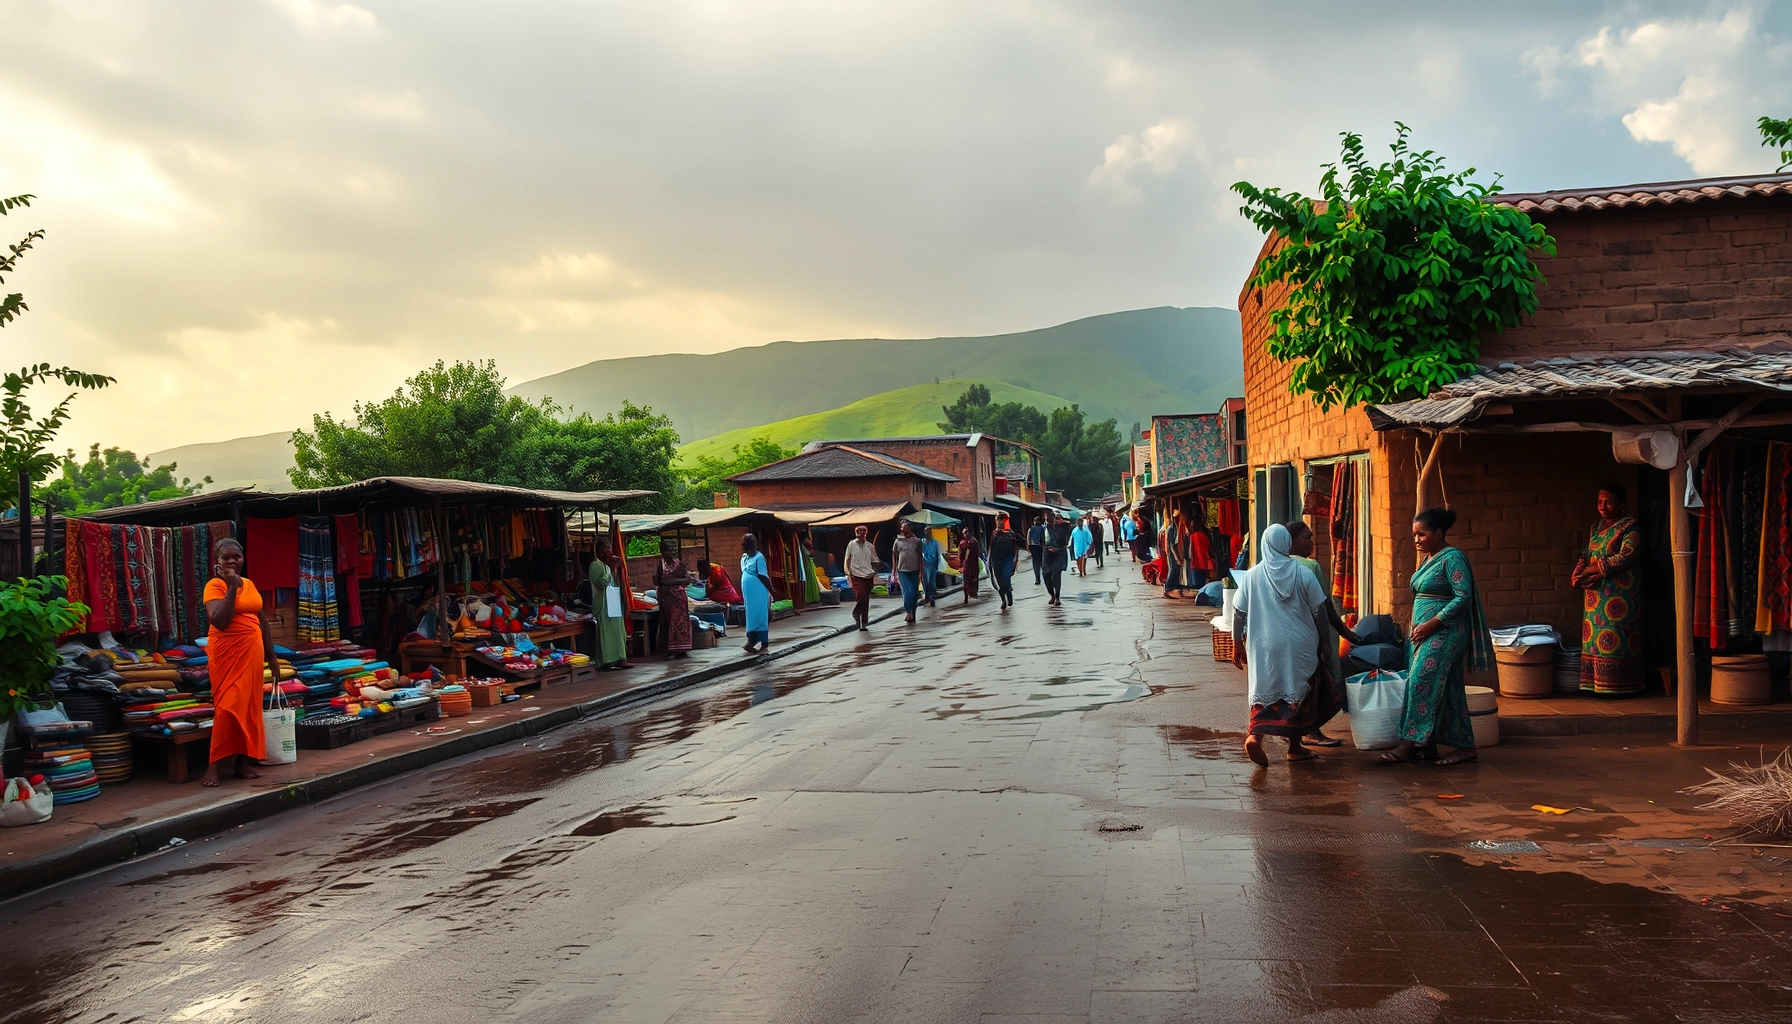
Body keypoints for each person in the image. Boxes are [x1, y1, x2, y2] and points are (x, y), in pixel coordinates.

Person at [1379, 507, 1492, 767]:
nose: (1417, 540)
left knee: (1421, 680)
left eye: (1422, 534)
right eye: (1414, 535)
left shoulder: (1453, 558)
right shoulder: (1429, 558)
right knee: (1448, 689)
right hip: (1424, 633)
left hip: (1446, 632)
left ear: (1439, 533)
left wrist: (1432, 623)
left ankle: (1409, 744)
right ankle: (1456, 747)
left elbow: (1463, 596)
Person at [1230, 523, 1337, 767]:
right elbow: (1320, 611)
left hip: (1264, 645)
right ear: (1287, 544)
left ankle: (1255, 736)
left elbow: (1238, 613)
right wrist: (1326, 642)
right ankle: (1295, 746)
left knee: (1264, 689)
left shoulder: (1252, 575)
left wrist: (1237, 644)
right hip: (1300, 645)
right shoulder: (1303, 572)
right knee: (1299, 692)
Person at [200, 538, 278, 787]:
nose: (232, 561)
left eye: (237, 556)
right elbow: (219, 621)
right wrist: (231, 589)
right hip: (227, 654)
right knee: (226, 707)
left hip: (252, 653)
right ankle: (213, 765)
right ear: (218, 561)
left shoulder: (251, 584)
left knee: (250, 707)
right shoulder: (215, 585)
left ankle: (241, 762)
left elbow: (262, 622)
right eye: (226, 557)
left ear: (243, 558)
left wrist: (272, 657)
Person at [1286, 521, 1363, 748]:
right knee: (1318, 683)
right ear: (1291, 541)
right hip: (1312, 634)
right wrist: (1342, 633)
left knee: (1297, 684)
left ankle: (1294, 733)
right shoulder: (1311, 568)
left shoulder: (1272, 567)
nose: (1311, 542)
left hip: (1288, 636)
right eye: (1306, 538)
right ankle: (1312, 731)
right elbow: (1324, 606)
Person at [1573, 485, 1643, 696]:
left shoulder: (1630, 527)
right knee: (1594, 639)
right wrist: (1578, 574)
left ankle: (1621, 686)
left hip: (1619, 595)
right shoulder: (1596, 527)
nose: (1602, 506)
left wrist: (1594, 569)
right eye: (1600, 502)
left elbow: (1627, 555)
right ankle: (1596, 684)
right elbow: (1585, 554)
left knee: (1617, 636)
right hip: (1595, 597)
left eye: (1608, 501)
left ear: (1621, 504)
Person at [589, 540, 634, 671]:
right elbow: (601, 583)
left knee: (618, 630)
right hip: (603, 605)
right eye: (607, 549)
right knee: (606, 633)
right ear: (601, 551)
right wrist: (611, 570)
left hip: (612, 602)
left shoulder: (607, 566)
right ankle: (606, 660)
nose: (610, 552)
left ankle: (620, 658)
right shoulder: (596, 565)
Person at [653, 546, 694, 659]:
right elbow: (657, 580)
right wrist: (667, 581)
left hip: (679, 597)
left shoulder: (679, 564)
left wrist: (670, 581)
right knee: (669, 621)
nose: (667, 553)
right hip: (667, 598)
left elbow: (687, 580)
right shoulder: (660, 564)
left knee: (679, 621)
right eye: (665, 550)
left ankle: (681, 649)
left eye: (669, 550)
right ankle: (671, 648)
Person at [740, 534, 773, 654]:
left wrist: (772, 590)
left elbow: (762, 576)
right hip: (749, 595)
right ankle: (752, 640)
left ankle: (761, 642)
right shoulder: (744, 558)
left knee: (760, 615)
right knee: (751, 617)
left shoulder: (759, 558)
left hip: (759, 593)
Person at [844, 524, 878, 631]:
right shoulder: (851, 544)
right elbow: (847, 559)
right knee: (861, 595)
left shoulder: (870, 546)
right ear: (856, 533)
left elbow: (874, 560)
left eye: (863, 532)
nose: (861, 534)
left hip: (868, 575)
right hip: (856, 574)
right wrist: (848, 573)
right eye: (858, 532)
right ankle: (856, 613)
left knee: (866, 598)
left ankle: (863, 623)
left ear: (866, 533)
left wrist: (874, 571)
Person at [891, 521, 926, 623]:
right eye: (902, 530)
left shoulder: (917, 541)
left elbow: (920, 557)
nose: (904, 532)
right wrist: (893, 571)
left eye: (906, 530)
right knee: (907, 591)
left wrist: (921, 571)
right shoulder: (898, 541)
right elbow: (894, 556)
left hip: (914, 570)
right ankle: (908, 612)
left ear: (910, 529)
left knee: (914, 592)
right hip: (902, 570)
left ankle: (913, 611)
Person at [987, 515, 1021, 609]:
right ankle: (1003, 600)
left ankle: (1009, 592)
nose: (999, 522)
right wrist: (988, 562)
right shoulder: (994, 534)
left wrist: (1016, 560)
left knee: (1006, 578)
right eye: (998, 520)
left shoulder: (1010, 533)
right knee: (999, 583)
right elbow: (990, 548)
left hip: (1008, 559)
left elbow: (1016, 547)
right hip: (996, 560)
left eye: (1001, 520)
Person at [1043, 512, 1071, 605]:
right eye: (1048, 517)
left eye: (1052, 517)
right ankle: (1052, 594)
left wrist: (1061, 521)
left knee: (1056, 575)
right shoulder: (1044, 528)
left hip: (1058, 554)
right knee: (1046, 575)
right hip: (1047, 554)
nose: (1049, 519)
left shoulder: (1062, 528)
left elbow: (1068, 528)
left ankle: (1057, 597)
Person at [958, 529, 983, 602]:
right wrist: (961, 564)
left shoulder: (973, 542)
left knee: (973, 580)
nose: (966, 534)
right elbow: (960, 554)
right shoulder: (962, 543)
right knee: (966, 581)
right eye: (964, 533)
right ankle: (966, 597)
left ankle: (972, 594)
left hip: (973, 565)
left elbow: (978, 552)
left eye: (967, 532)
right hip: (967, 565)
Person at [921, 529, 942, 607]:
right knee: (925, 582)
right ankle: (926, 598)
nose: (927, 533)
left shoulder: (934, 542)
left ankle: (932, 598)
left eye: (929, 531)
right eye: (926, 531)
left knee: (931, 583)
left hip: (932, 565)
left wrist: (937, 565)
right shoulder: (922, 542)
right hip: (923, 565)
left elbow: (937, 554)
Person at [1027, 516, 1047, 585]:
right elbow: (1045, 538)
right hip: (1041, 547)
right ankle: (1045, 577)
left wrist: (1029, 548)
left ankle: (1037, 578)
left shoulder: (1031, 529)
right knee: (1043, 563)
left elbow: (1028, 539)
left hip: (1033, 547)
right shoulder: (1043, 528)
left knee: (1036, 564)